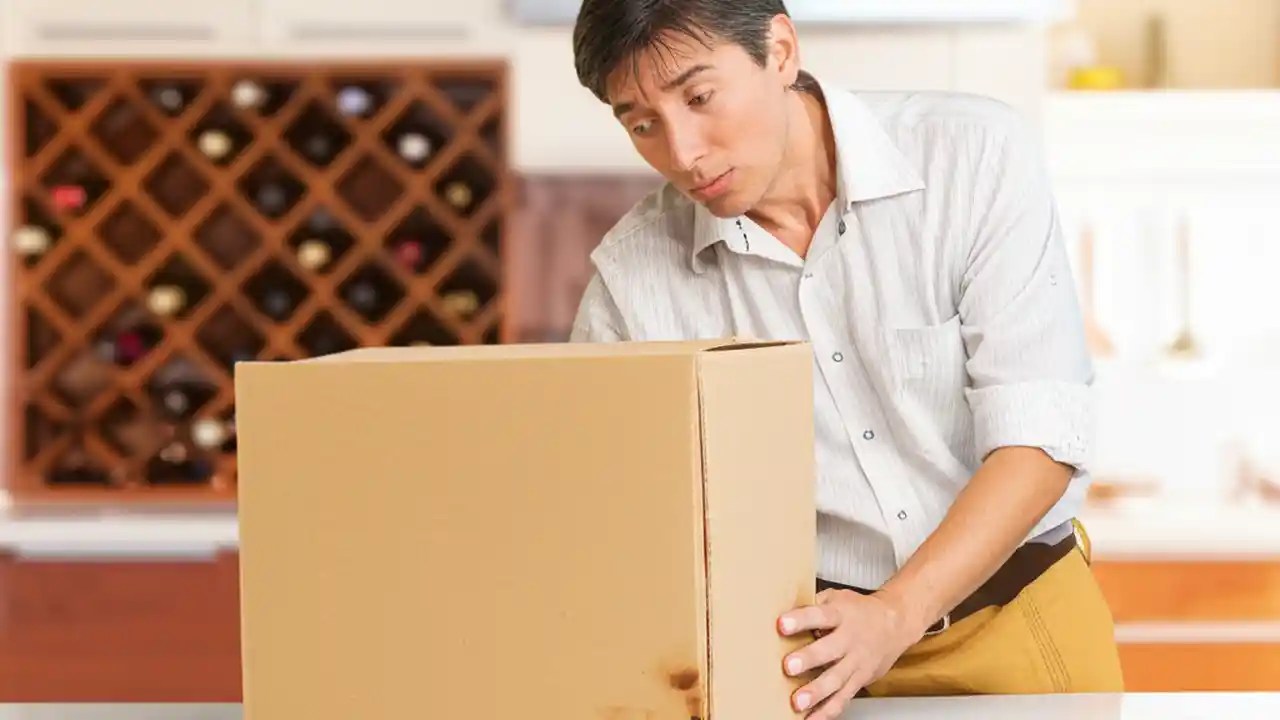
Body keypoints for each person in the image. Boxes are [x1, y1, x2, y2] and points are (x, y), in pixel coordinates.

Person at [566, 0, 1124, 716]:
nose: (683, 152)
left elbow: (1039, 437)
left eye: (700, 98)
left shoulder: (973, 157)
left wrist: (896, 614)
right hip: (806, 658)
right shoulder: (632, 277)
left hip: (1019, 619)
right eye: (641, 124)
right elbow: (609, 513)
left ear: (780, 48)